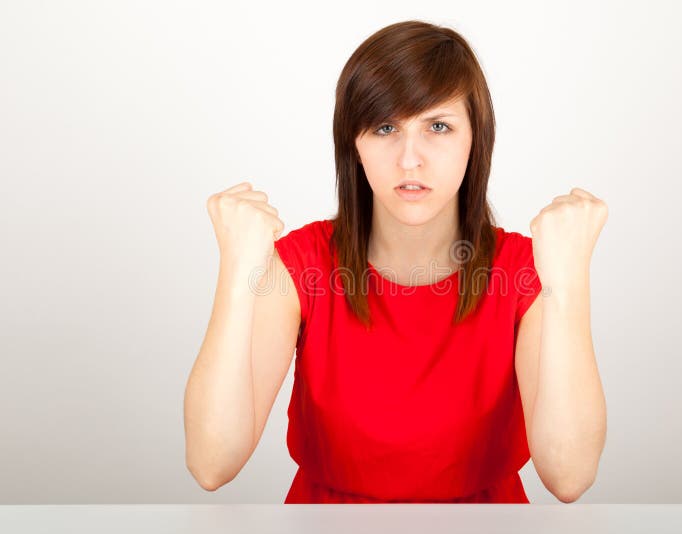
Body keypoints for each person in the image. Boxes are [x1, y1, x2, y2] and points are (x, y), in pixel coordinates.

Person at [185, 20, 580, 504]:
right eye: (385, 127)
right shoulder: (304, 266)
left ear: (475, 139)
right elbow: (211, 462)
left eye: (438, 126)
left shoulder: (521, 271)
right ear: (355, 143)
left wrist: (569, 282)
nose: (409, 159)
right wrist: (236, 270)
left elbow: (570, 475)